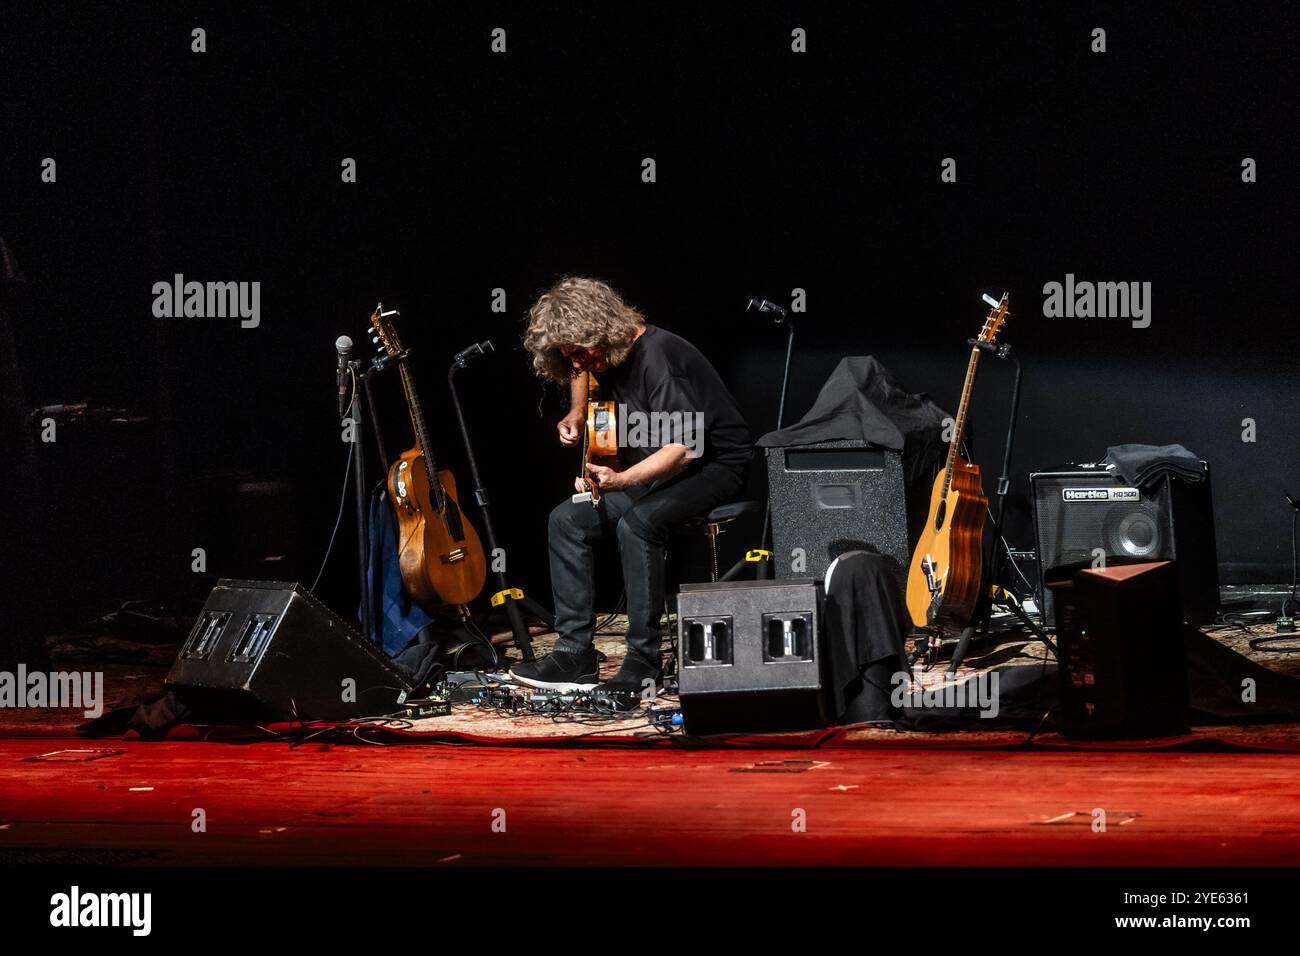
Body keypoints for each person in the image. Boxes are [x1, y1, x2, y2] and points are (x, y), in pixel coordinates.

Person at [510, 277, 752, 694]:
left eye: (582, 351)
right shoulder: (596, 355)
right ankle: (574, 655)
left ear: (601, 329)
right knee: (566, 520)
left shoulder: (659, 358)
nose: (579, 363)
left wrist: (621, 480)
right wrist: (576, 411)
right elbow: (579, 371)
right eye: (569, 357)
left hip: (712, 465)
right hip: (656, 468)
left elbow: (686, 449)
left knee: (637, 524)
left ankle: (643, 660)